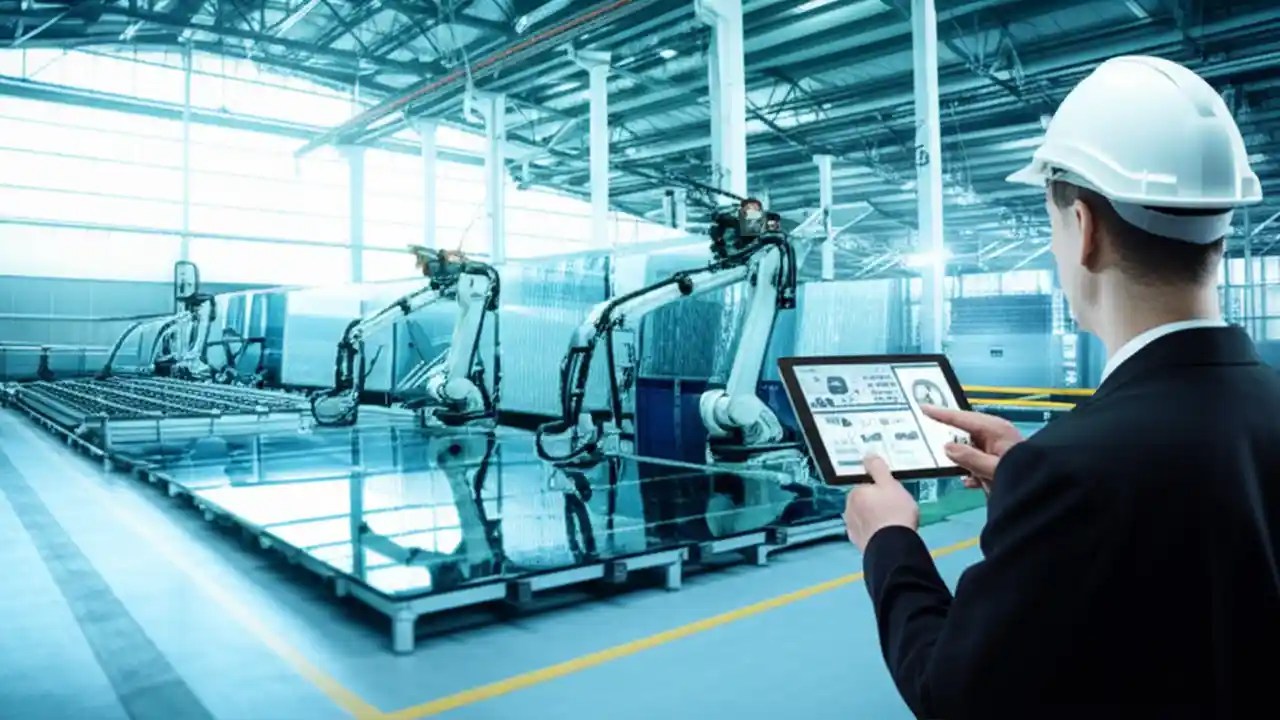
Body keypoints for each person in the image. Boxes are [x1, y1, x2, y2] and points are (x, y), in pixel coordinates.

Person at [842, 55, 1280, 719]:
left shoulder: (1071, 471)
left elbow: (954, 696)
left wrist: (889, 544)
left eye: (1052, 227)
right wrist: (1030, 482)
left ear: (1084, 229)